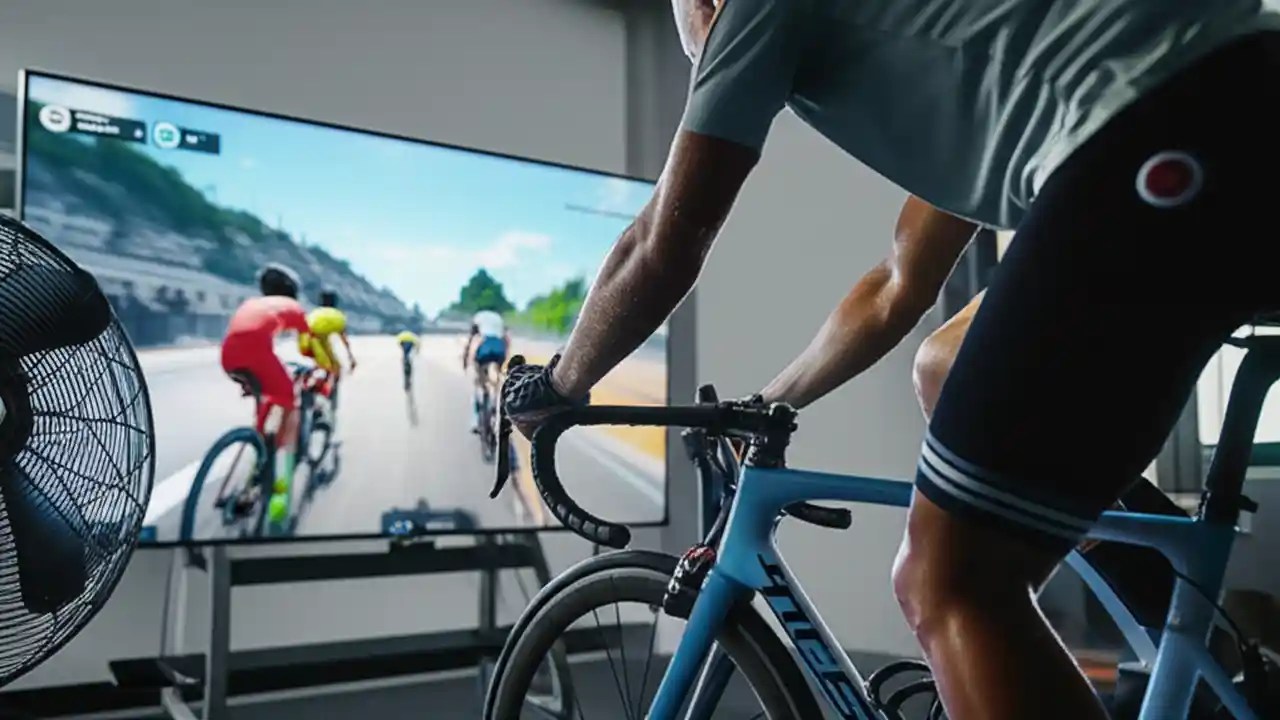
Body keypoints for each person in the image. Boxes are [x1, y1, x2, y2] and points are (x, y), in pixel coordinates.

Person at [500, 2, 1280, 718]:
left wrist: (558, 384)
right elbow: (898, 285)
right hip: (1234, 97)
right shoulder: (984, 55)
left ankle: (1193, 630)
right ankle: (1197, 627)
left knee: (949, 582)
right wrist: (771, 402)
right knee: (945, 365)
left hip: (1166, 125)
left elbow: (661, 242)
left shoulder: (748, 11)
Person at [221, 263, 310, 525]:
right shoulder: (294, 307)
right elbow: (307, 345)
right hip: (256, 354)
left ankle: (259, 440)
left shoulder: (253, 303)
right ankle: (280, 453)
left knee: (266, 393)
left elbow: (248, 333)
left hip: (228, 357)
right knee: (289, 398)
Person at [299, 288, 357, 405]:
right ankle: (320, 396)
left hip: (305, 341)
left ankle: (316, 388)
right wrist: (351, 358)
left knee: (327, 366)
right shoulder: (338, 315)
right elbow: (344, 340)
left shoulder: (315, 313)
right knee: (330, 368)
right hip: (316, 341)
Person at [463, 308, 510, 433]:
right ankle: (495, 404)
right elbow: (506, 339)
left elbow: (471, 341)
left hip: (484, 348)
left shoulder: (478, 317)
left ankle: (476, 420)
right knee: (496, 380)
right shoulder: (498, 319)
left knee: (478, 382)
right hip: (499, 349)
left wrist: (466, 361)